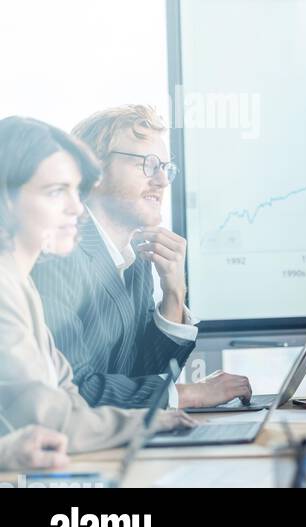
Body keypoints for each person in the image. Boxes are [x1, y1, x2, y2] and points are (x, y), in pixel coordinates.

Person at [31, 105, 252, 409]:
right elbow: (73, 389)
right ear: (92, 171)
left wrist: (174, 293)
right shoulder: (58, 255)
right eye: (148, 164)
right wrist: (193, 393)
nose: (162, 180)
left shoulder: (136, 258)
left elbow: (140, 378)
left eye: (165, 167)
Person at [0, 116, 194, 454]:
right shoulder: (15, 284)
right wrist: (152, 416)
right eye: (57, 191)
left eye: (75, 190)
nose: (76, 206)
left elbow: (67, 400)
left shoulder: (19, 285)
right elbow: (52, 415)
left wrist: (175, 293)